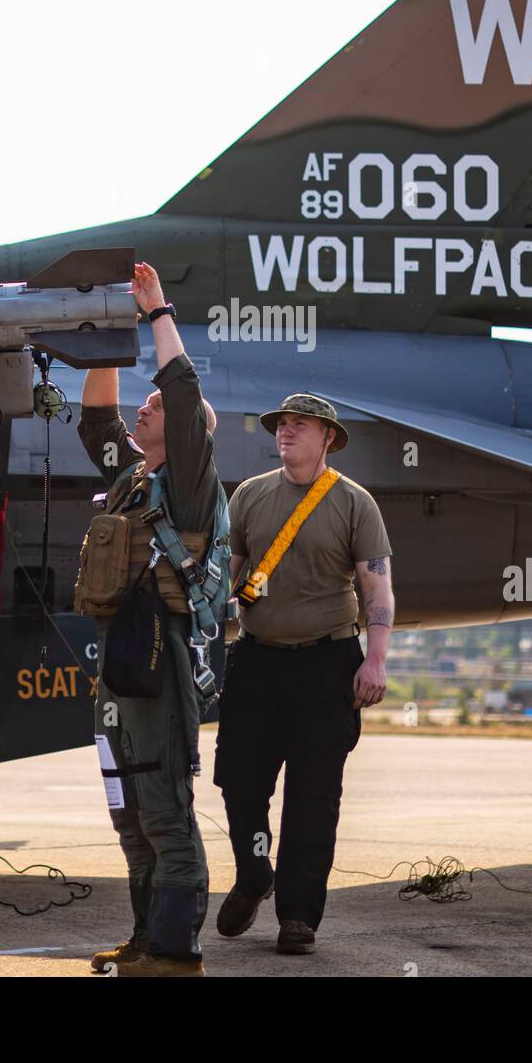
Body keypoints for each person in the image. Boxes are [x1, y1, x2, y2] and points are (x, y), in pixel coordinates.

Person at [74, 261, 221, 977]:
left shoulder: (189, 486)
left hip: (160, 658)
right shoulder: (131, 480)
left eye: (155, 409)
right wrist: (113, 333)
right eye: (146, 405)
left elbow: (184, 393)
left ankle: (175, 950)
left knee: (163, 807)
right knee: (127, 810)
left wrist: (157, 310)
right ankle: (144, 938)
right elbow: (97, 420)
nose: (145, 409)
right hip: (119, 662)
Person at [213, 392, 394, 955]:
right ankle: (254, 873)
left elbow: (377, 590)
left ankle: (297, 916)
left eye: (300, 425)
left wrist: (376, 659)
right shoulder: (248, 495)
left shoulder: (354, 503)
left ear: (327, 438)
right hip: (257, 660)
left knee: (314, 799)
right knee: (240, 783)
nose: (286, 432)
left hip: (326, 664)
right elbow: (230, 576)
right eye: (282, 425)